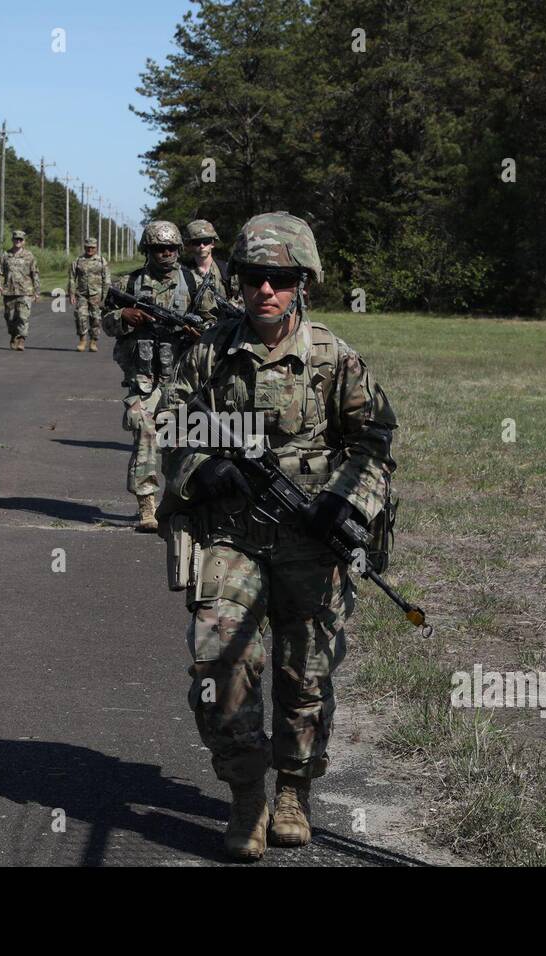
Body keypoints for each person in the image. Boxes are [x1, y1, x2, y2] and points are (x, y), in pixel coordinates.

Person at [156, 212, 397, 861]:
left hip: (309, 542)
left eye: (282, 278)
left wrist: (347, 504)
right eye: (257, 276)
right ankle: (245, 794)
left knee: (306, 670)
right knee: (218, 659)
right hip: (232, 537)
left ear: (302, 284)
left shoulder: (333, 357)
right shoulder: (209, 351)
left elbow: (374, 440)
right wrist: (207, 469)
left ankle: (294, 787)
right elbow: (170, 426)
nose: (268, 290)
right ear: (238, 280)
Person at [101, 220, 216, 532]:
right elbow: (107, 321)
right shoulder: (131, 284)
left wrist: (199, 331)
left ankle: (178, 502)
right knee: (145, 435)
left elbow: (215, 323)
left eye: (170, 248)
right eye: (158, 248)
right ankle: (146, 507)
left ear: (179, 249)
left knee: (184, 442)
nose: (165, 253)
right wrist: (123, 316)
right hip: (145, 378)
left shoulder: (194, 283)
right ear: (146, 251)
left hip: (184, 377)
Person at [0, 229, 40, 351]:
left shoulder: (29, 256)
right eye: (16, 239)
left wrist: (37, 291)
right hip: (9, 291)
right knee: (9, 318)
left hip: (25, 291)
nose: (18, 241)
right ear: (12, 240)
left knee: (23, 316)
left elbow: (35, 274)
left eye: (20, 239)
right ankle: (14, 335)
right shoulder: (5, 255)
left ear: (24, 241)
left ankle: (21, 340)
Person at [67, 237, 110, 352]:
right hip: (82, 294)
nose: (90, 249)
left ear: (96, 248)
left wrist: (104, 298)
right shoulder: (78, 260)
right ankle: (82, 340)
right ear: (84, 247)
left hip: (97, 295)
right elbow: (72, 278)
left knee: (96, 319)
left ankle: (93, 341)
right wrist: (71, 294)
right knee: (81, 316)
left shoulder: (101, 261)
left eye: (92, 247)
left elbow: (107, 280)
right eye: (88, 247)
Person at [184, 219, 234, 315]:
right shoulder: (183, 273)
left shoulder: (226, 270)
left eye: (206, 241)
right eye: (197, 242)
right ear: (190, 245)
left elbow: (240, 299)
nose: (202, 246)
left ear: (212, 243)